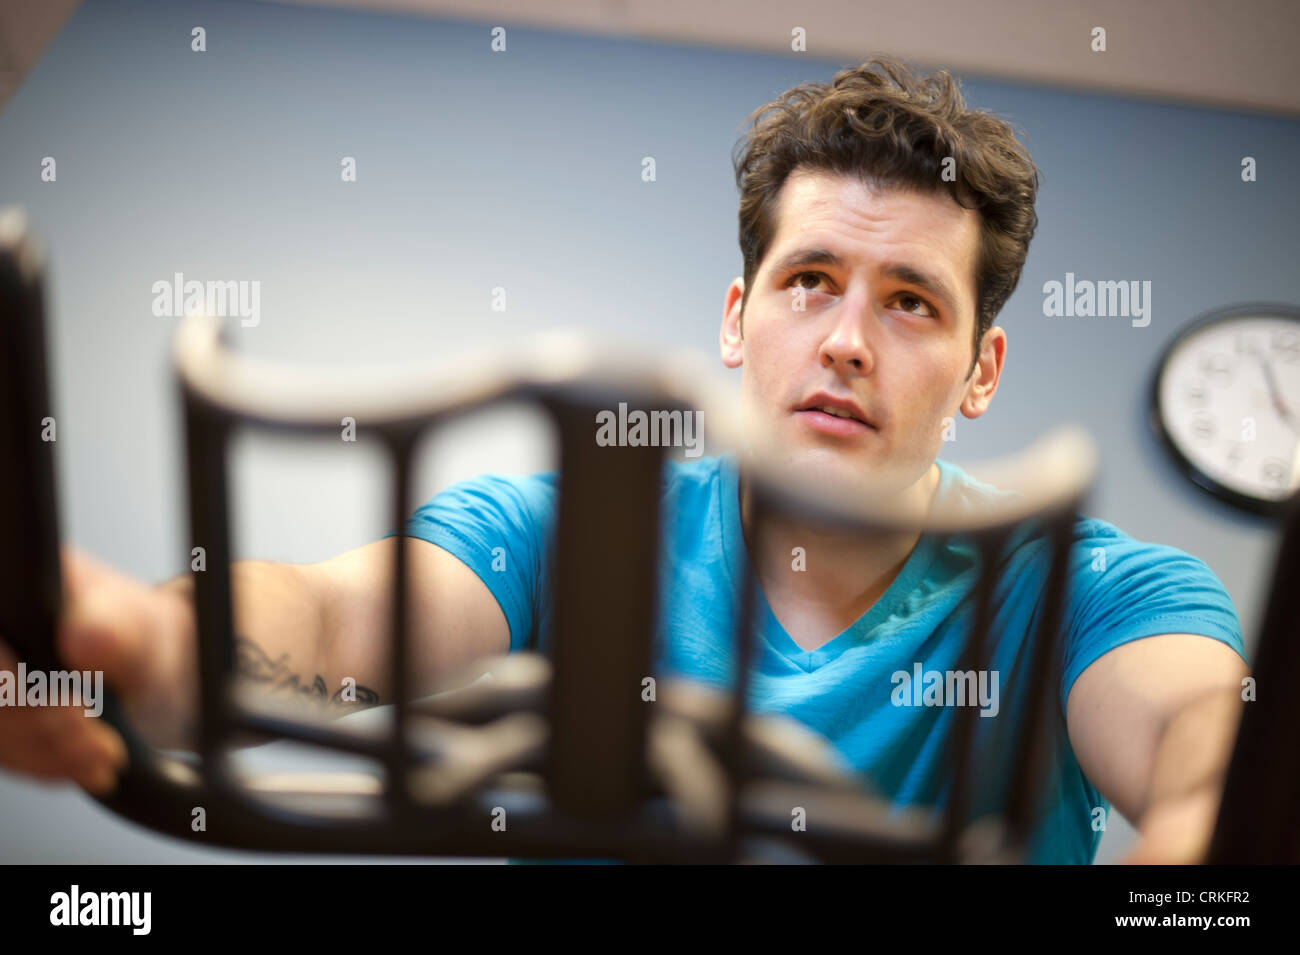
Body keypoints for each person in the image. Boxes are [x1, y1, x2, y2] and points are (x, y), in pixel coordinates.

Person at [0, 58, 1248, 864]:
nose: (846, 341)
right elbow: (330, 621)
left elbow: (1197, 749)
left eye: (911, 302)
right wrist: (134, 643)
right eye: (808, 281)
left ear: (981, 370)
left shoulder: (1091, 588)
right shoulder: (573, 533)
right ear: (736, 320)